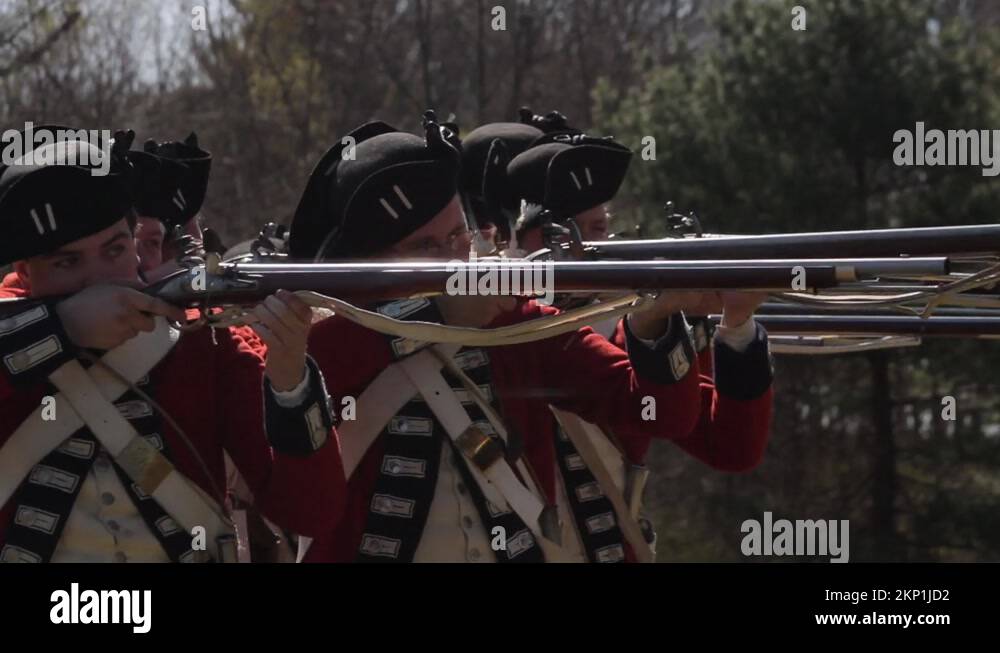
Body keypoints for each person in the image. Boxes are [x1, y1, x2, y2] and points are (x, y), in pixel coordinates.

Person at [288, 113, 731, 563]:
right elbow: (296, 477)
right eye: (425, 247)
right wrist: (431, 314)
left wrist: (653, 318)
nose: (454, 258)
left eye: (458, 235)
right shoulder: (323, 341)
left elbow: (662, 414)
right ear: (370, 262)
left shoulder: (510, 322)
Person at [0, 130, 345, 563]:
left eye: (114, 251)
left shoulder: (204, 342)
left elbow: (310, 512)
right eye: (68, 262)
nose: (99, 279)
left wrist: (291, 380)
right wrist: (63, 327)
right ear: (25, 273)